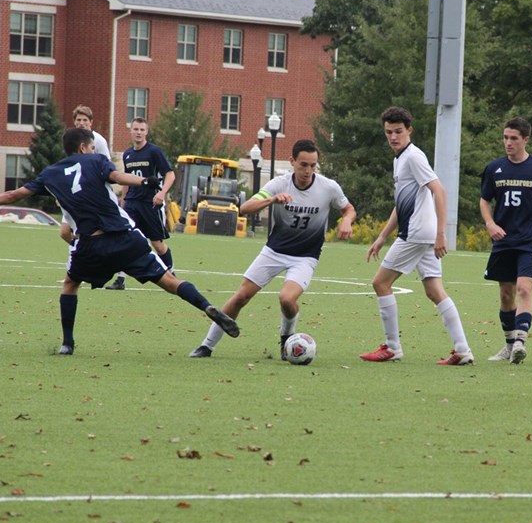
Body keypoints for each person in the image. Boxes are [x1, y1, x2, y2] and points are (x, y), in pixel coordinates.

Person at [0, 128, 239, 355]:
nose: (95, 149)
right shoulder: (96, 161)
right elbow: (118, 176)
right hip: (125, 237)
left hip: (90, 244)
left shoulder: (51, 173)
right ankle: (208, 307)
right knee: (170, 281)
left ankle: (67, 344)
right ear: (84, 147)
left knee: (71, 284)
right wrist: (145, 181)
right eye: (93, 146)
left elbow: (12, 196)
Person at [189, 139, 356, 359]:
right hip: (274, 251)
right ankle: (207, 345)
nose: (308, 170)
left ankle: (287, 338)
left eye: (313, 165)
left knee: (287, 299)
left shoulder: (328, 187)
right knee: (241, 296)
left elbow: (349, 209)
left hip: (305, 257)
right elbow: (245, 207)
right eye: (303, 165)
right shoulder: (279, 184)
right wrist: (272, 200)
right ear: (292, 162)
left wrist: (347, 221)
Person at [360, 106, 474, 365]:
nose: (393, 136)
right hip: (422, 234)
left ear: (409, 130)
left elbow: (440, 191)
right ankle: (463, 350)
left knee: (380, 283)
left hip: (417, 234)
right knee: (435, 291)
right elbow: (401, 205)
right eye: (389, 132)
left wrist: (442, 234)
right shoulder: (399, 159)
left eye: (398, 131)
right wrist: (381, 237)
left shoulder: (413, 157)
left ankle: (392, 347)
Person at [479, 117, 532, 364]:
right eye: (505, 137)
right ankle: (508, 345)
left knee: (524, 289)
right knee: (506, 294)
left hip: (530, 241)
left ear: (526, 139)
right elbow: (485, 200)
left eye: (514, 138)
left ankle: (520, 342)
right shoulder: (494, 168)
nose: (508, 142)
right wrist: (490, 224)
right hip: (503, 241)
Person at [105, 117, 176, 290]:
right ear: (131, 131)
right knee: (126, 239)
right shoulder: (127, 154)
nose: (138, 133)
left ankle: (171, 275)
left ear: (146, 132)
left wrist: (162, 192)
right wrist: (123, 202)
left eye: (142, 130)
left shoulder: (154, 152)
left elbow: (170, 174)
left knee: (157, 244)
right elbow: (127, 180)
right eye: (135, 129)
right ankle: (120, 279)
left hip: (150, 203)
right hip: (132, 204)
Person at [60, 105, 113, 244]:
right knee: (64, 232)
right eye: (78, 119)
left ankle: (86, 252)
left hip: (93, 193)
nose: (81, 123)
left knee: (93, 230)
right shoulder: (71, 138)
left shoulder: (98, 140)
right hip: (75, 191)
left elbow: (107, 165)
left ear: (91, 122)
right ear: (74, 121)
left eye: (85, 120)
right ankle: (79, 248)